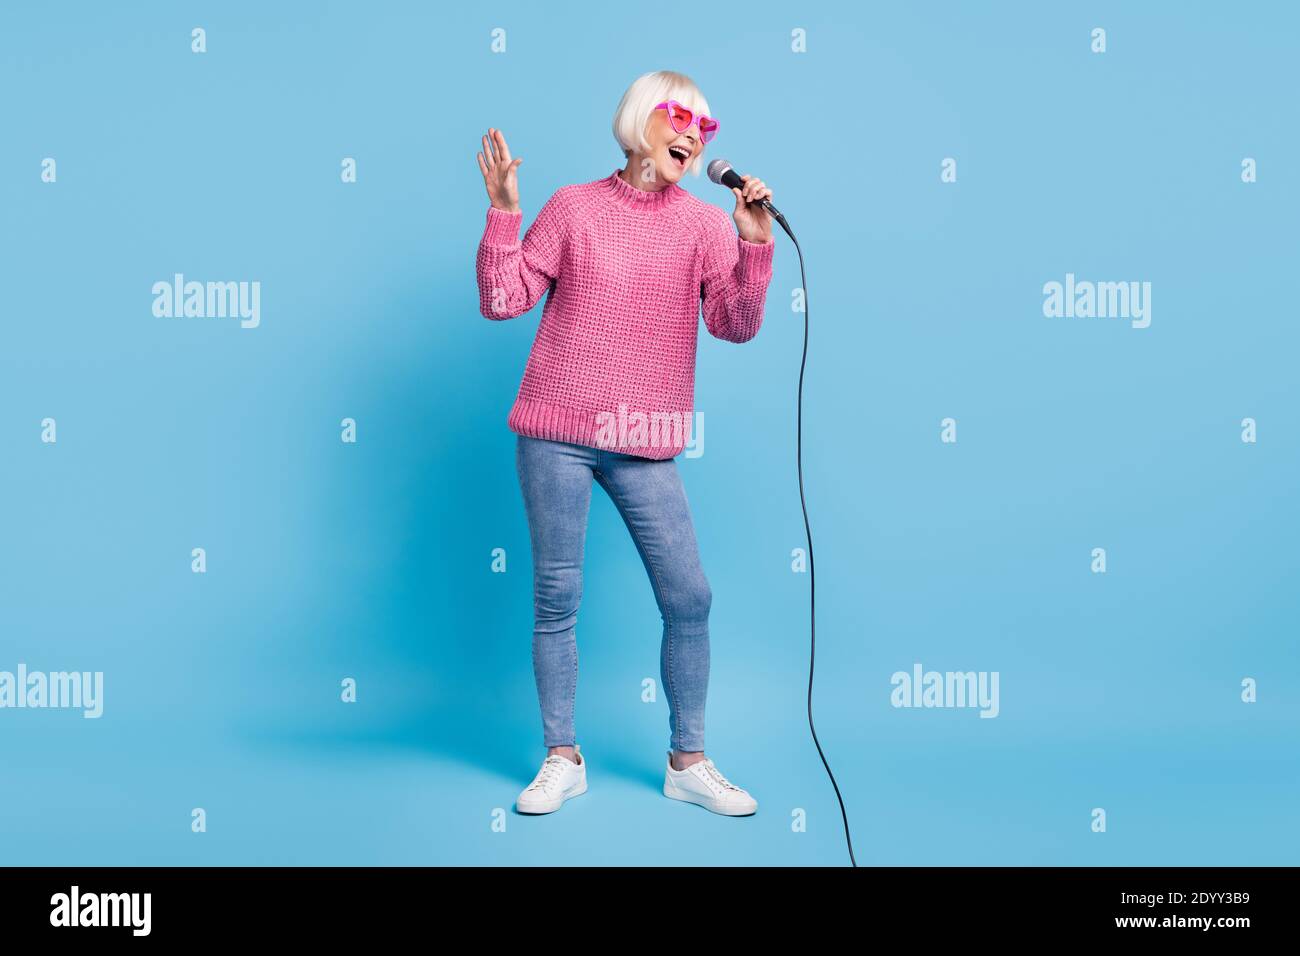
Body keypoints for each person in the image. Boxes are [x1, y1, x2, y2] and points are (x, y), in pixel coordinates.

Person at [474, 70, 775, 816]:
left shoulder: (706, 225)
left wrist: (754, 247)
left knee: (689, 597)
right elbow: (501, 300)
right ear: (642, 120)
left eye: (705, 128)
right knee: (558, 595)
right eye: (680, 118)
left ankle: (689, 760)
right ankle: (560, 757)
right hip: (556, 432)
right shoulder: (574, 208)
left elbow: (734, 325)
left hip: (645, 440)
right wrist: (503, 215)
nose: (694, 136)